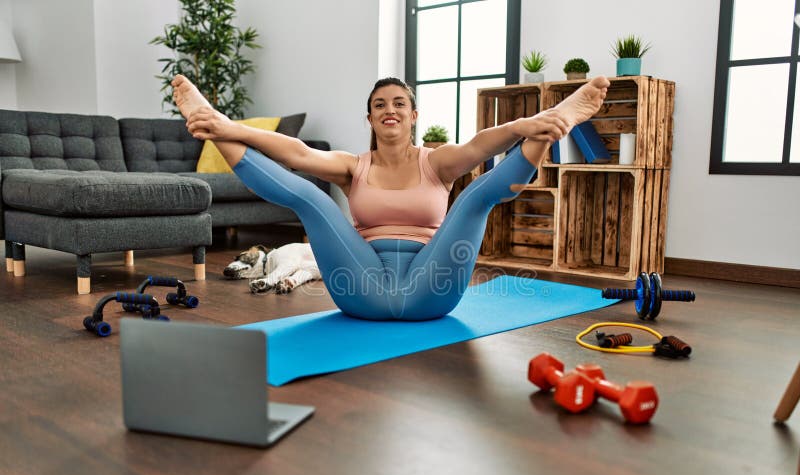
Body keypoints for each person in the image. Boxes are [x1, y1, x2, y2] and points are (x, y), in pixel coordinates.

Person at [172, 74, 610, 320]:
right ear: (370, 117)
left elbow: (480, 145)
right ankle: (215, 125)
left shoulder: (437, 162)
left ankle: (555, 122)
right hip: (360, 286)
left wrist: (522, 127)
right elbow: (298, 154)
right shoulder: (352, 166)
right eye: (380, 104)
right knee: (310, 198)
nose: (390, 110)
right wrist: (233, 129)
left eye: (399, 103)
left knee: (477, 197)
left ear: (414, 115)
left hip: (431, 287)